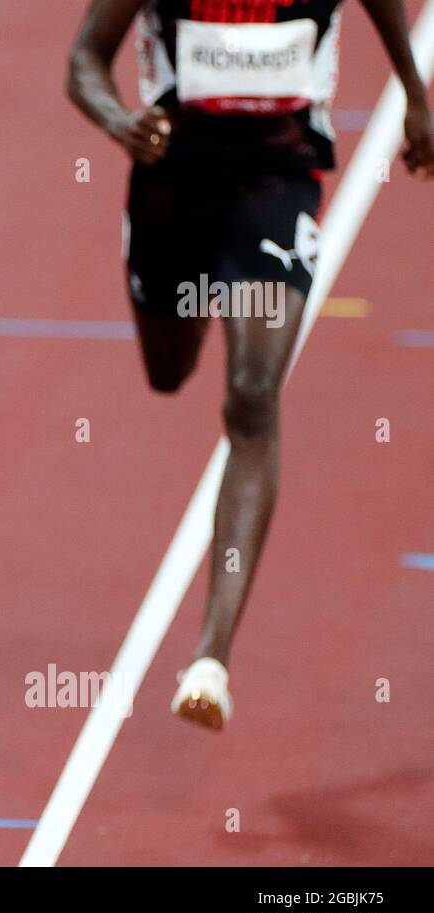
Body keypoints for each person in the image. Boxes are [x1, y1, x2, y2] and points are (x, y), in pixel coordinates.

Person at [67, 0, 434, 729]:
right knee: (168, 372)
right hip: (171, 180)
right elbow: (84, 61)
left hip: (278, 180)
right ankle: (206, 286)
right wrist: (118, 120)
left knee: (253, 396)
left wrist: (415, 97)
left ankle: (212, 656)